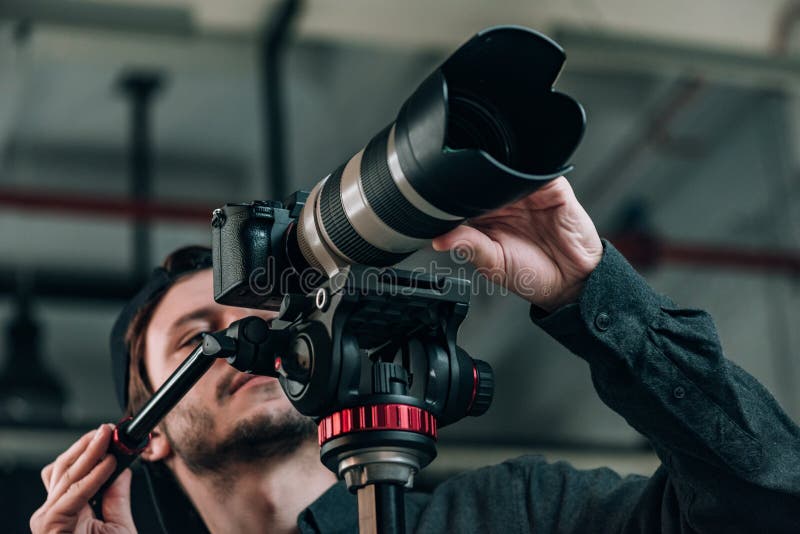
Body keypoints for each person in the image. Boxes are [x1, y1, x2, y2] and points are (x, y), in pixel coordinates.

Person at [30, 177, 800, 533]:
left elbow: (768, 503)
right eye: (197, 335)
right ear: (147, 431)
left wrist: (593, 291)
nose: (253, 336)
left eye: (267, 313)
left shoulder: (516, 515)